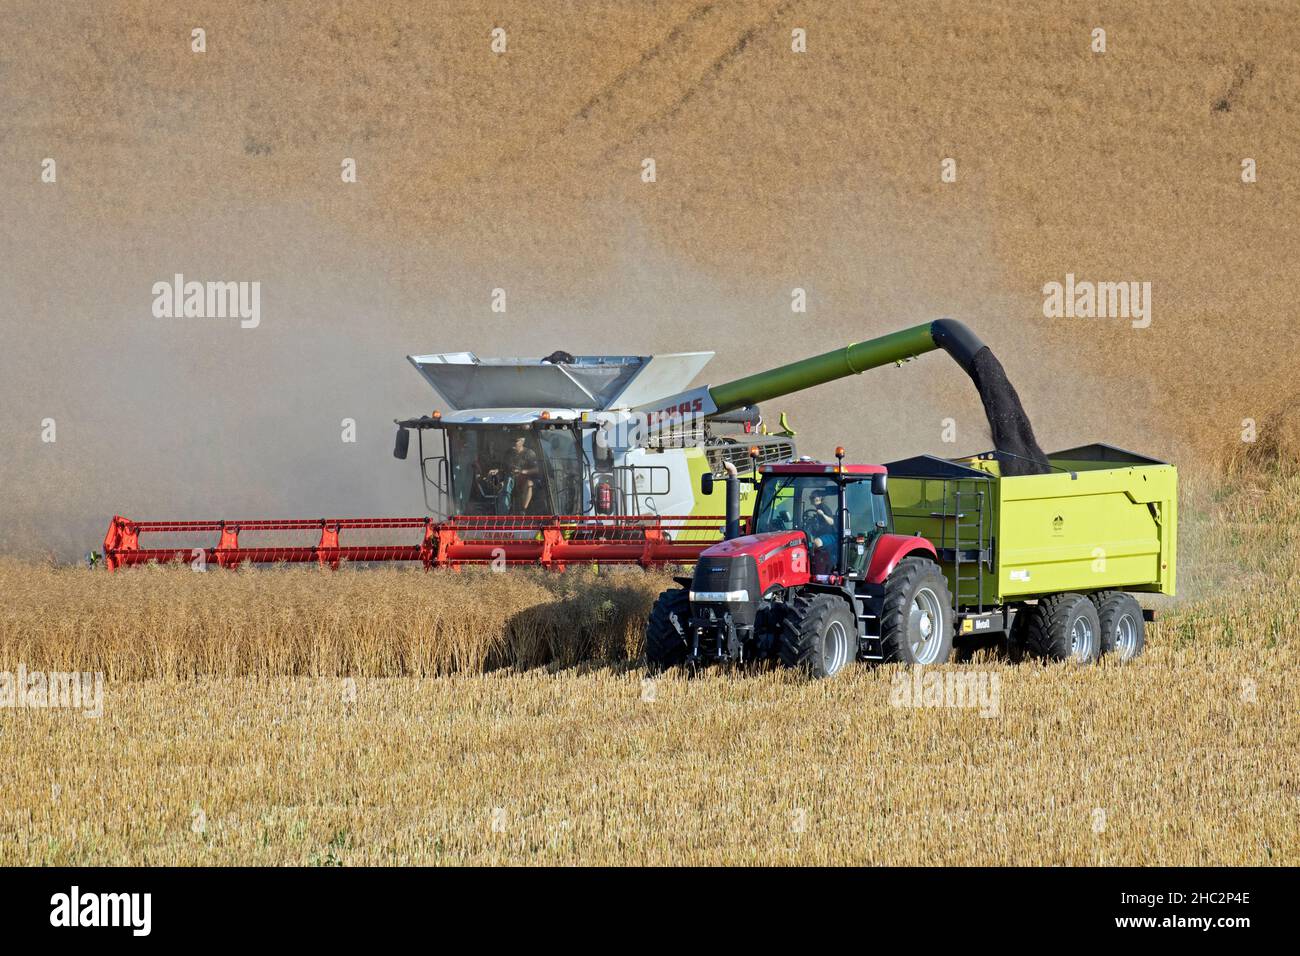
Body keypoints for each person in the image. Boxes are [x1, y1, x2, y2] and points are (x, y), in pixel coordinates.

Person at [487, 434, 542, 514]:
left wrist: (523, 471)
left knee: (529, 484)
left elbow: (537, 469)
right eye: (512, 441)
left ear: (522, 442)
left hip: (526, 479)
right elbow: (504, 468)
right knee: (506, 483)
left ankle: (523, 510)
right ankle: (503, 515)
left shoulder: (530, 453)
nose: (513, 443)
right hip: (511, 478)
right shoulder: (509, 453)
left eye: (515, 441)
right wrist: (496, 470)